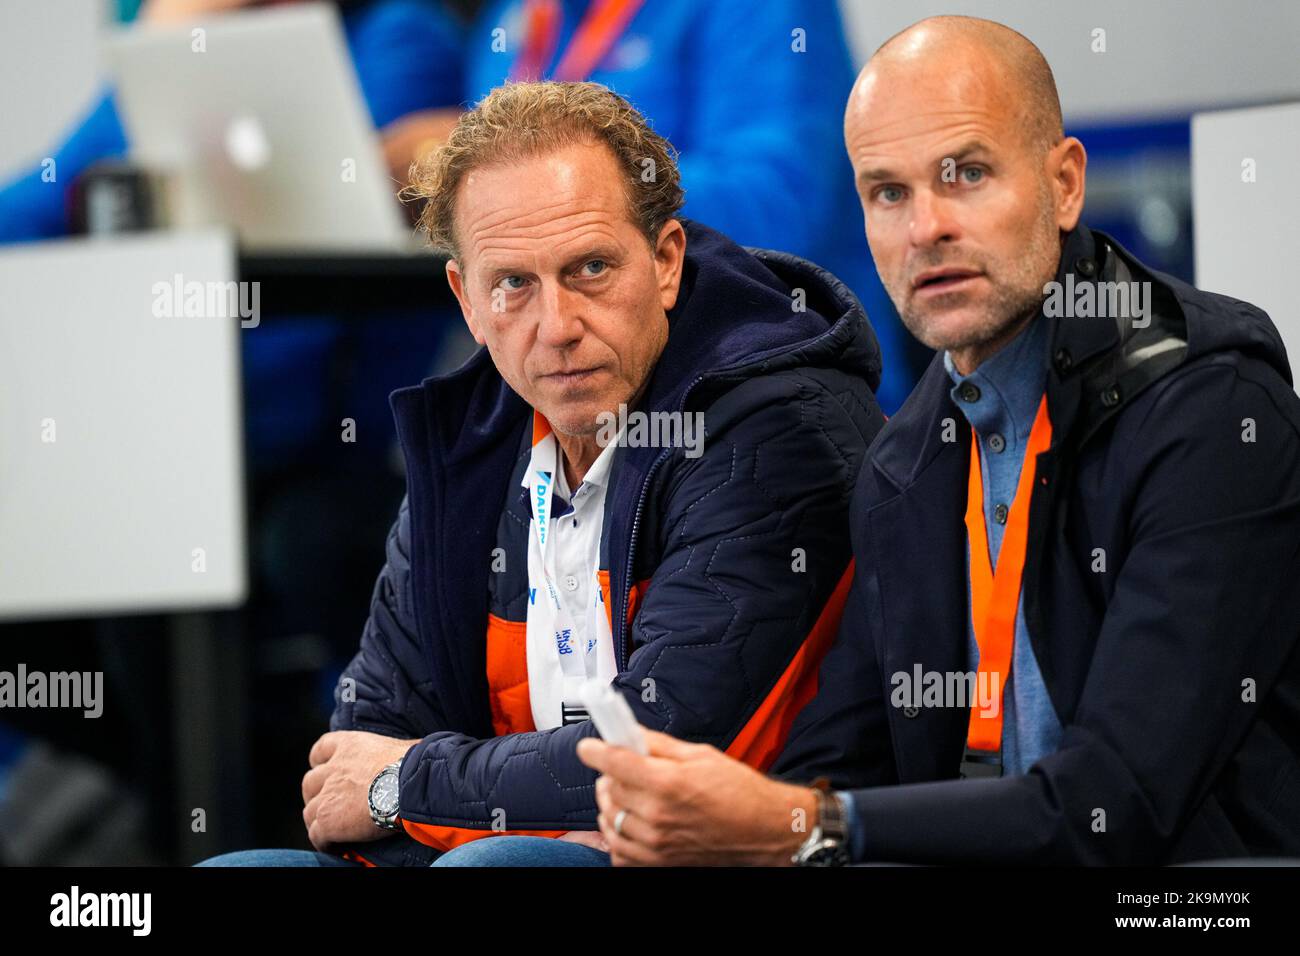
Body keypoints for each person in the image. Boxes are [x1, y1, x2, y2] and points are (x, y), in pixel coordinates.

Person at [567, 15, 1300, 866]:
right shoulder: (903, 461)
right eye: (889, 193)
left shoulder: (1208, 408)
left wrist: (803, 825)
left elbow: (1117, 805)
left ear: (1065, 184)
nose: (926, 229)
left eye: (968, 176)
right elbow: (836, 763)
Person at [199, 79, 886, 867]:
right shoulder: (468, 446)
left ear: (666, 262)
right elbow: (351, 768)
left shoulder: (774, 430)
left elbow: (658, 757)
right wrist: (444, 801)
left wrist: (410, 790)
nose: (556, 328)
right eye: (514, 284)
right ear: (467, 302)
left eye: (590, 268)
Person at [389, 0, 922, 413]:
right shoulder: (515, 18)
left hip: (762, 407)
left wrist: (552, 186)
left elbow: (780, 203)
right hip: (566, 424)